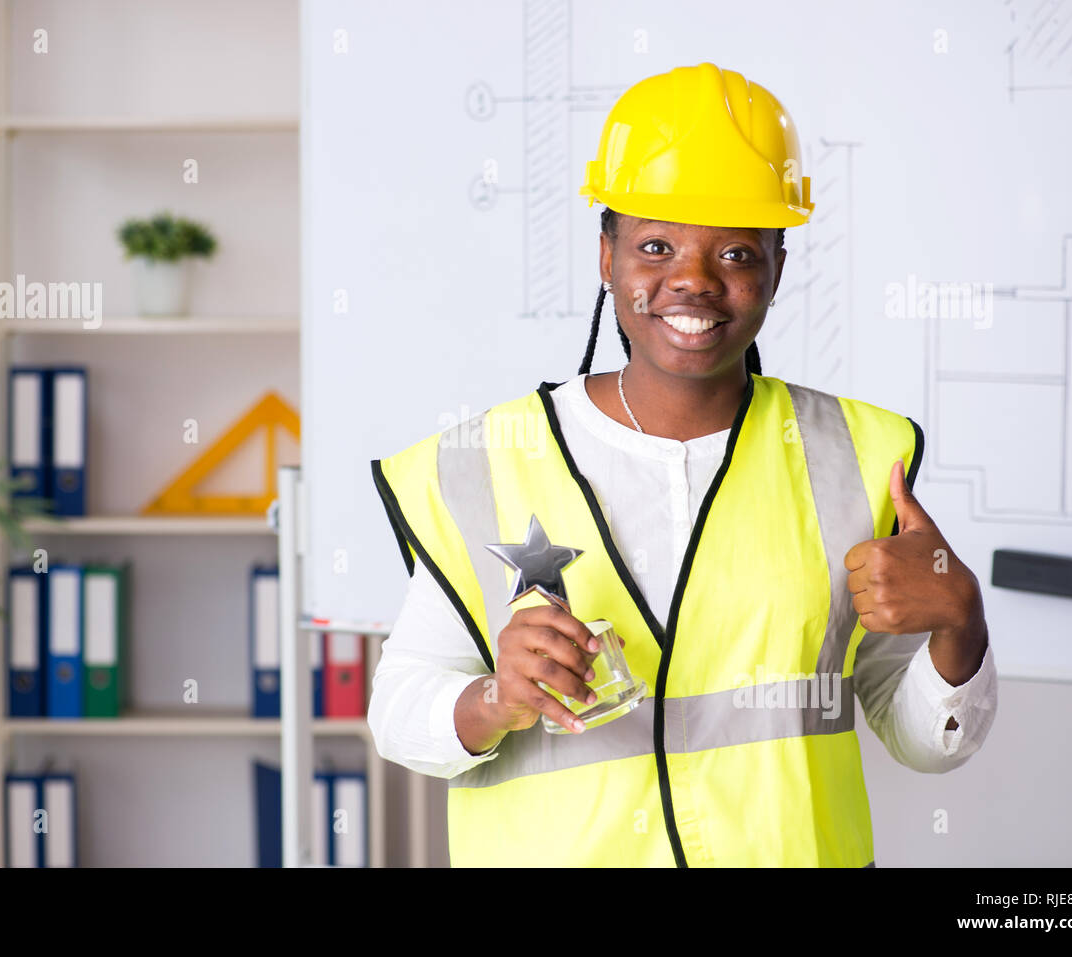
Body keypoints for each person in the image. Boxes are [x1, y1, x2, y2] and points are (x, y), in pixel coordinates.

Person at [368, 62, 996, 867]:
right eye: (656, 245)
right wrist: (494, 698)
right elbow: (399, 713)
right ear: (607, 256)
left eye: (735, 252)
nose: (693, 281)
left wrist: (960, 622)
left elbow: (925, 740)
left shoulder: (854, 457)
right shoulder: (485, 462)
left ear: (777, 267)